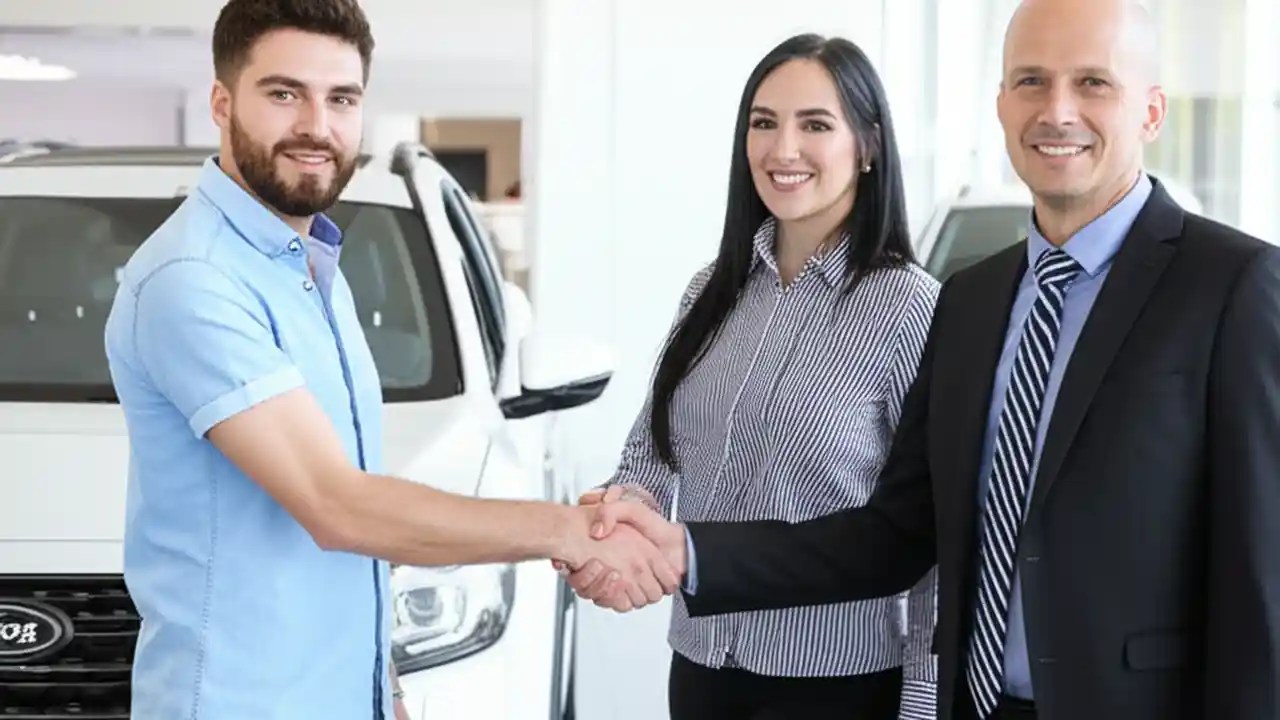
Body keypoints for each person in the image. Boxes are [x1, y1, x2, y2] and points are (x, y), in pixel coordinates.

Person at [575, 0, 1280, 718]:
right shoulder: (973, 301)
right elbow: (901, 534)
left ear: (1152, 113)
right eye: (1031, 81)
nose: (1057, 110)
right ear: (1002, 105)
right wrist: (687, 553)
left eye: (1093, 83)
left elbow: (1262, 578)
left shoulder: (1233, 286)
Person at [102, 2, 678, 718]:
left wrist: (385, 690)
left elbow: (356, 518)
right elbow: (336, 506)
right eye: (284, 94)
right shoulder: (193, 278)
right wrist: (568, 529)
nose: (317, 125)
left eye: (341, 98)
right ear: (223, 103)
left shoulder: (312, 268)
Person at [563, 33, 940, 719]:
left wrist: (921, 703)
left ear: (870, 147)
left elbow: (927, 536)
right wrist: (615, 526)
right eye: (763, 123)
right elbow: (651, 455)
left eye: (815, 125)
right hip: (704, 664)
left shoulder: (910, 308)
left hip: (839, 684)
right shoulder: (710, 293)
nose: (782, 150)